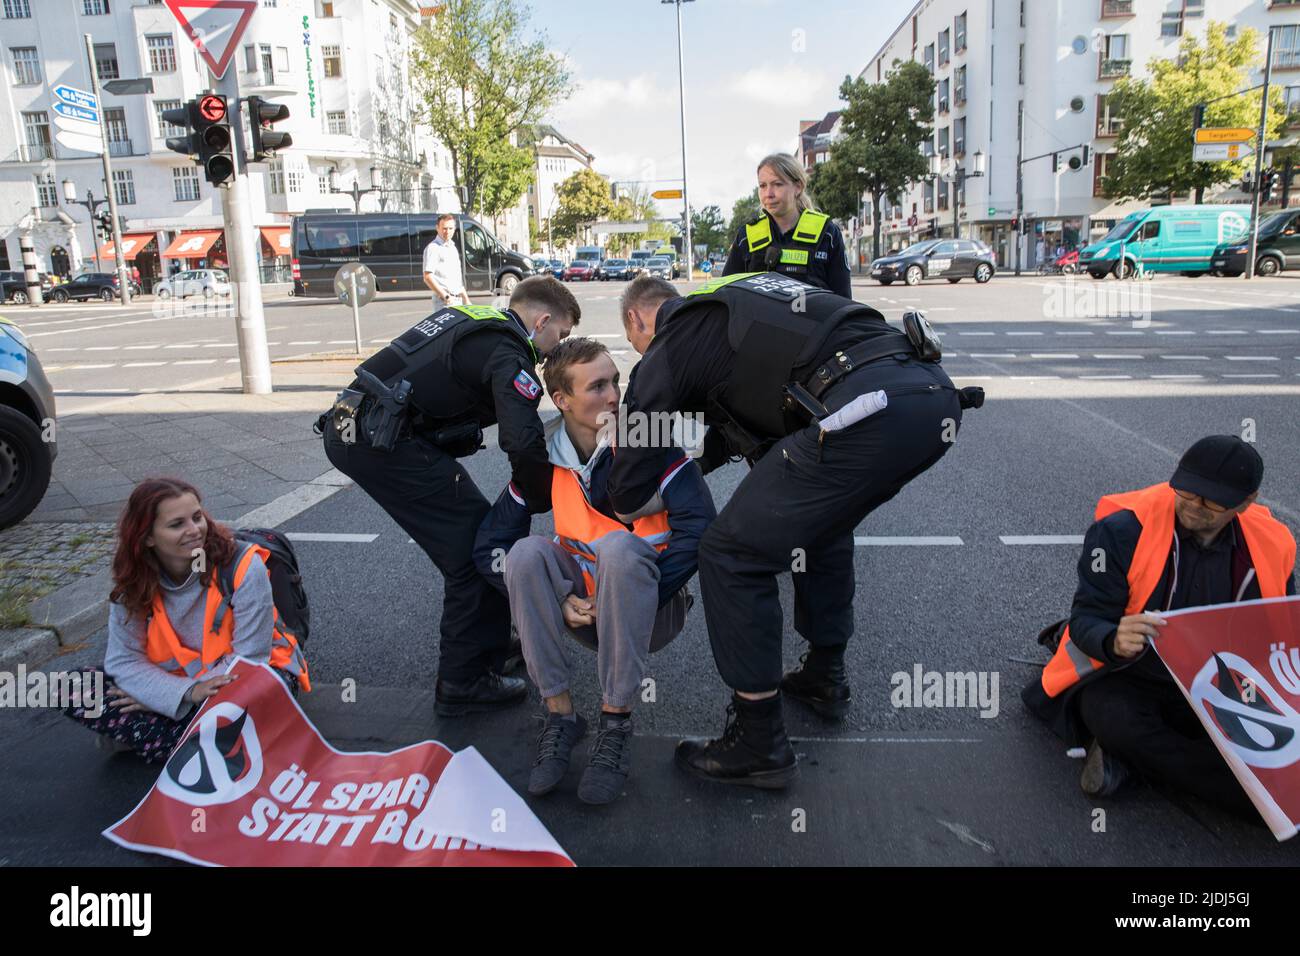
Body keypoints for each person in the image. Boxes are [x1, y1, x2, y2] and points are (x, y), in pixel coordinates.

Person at [609, 273, 980, 789]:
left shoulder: (679, 331)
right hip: (928, 394)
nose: (641, 353)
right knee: (820, 525)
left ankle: (758, 742)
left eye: (635, 345)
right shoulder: (742, 311)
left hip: (863, 408)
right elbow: (737, 428)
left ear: (637, 319)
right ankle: (823, 675)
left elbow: (639, 424)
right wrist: (691, 468)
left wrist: (623, 499)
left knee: (730, 553)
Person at [319, 276, 579, 717]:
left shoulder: (476, 319)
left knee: (481, 535)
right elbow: (521, 440)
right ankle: (464, 681)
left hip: (357, 426)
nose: (559, 345)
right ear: (543, 320)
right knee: (475, 549)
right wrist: (541, 495)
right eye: (562, 334)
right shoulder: (509, 350)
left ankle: (490, 643)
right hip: (380, 440)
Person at [474, 337, 715, 804]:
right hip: (581, 610)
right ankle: (560, 716)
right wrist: (559, 599)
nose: (613, 397)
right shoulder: (544, 460)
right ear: (560, 400)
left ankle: (616, 723)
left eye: (615, 383)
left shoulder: (649, 445)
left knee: (620, 549)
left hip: (651, 608)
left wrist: (634, 599)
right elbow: (491, 546)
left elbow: (701, 526)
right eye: (597, 386)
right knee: (523, 555)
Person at [1022, 436, 1296, 818]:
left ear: (1246, 502)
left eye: (1212, 501)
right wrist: (1113, 638)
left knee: (1275, 733)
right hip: (1130, 673)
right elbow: (1087, 618)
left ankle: (1132, 766)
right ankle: (1257, 799)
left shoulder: (1272, 543)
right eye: (1186, 492)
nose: (1194, 506)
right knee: (1116, 720)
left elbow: (1281, 632)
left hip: (1218, 680)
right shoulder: (1119, 532)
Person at [63, 478, 310, 762]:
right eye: (177, 524)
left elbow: (251, 658)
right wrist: (182, 693)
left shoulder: (242, 566)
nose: (195, 531)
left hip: (249, 676)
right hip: (180, 682)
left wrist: (163, 698)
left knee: (250, 698)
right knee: (72, 687)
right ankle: (202, 743)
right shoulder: (132, 583)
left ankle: (166, 737)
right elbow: (123, 661)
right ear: (147, 537)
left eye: (197, 517)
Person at [722, 153, 852, 297]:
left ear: (798, 187)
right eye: (762, 186)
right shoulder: (746, 236)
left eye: (777, 184)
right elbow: (726, 294)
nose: (768, 194)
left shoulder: (827, 234)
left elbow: (843, 300)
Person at [422, 213, 470, 309]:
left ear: (454, 229)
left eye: (450, 228)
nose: (447, 231)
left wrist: (466, 298)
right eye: (444, 228)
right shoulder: (434, 248)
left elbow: (456, 278)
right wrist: (445, 296)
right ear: (437, 228)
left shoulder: (452, 247)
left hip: (458, 300)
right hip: (444, 302)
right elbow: (427, 277)